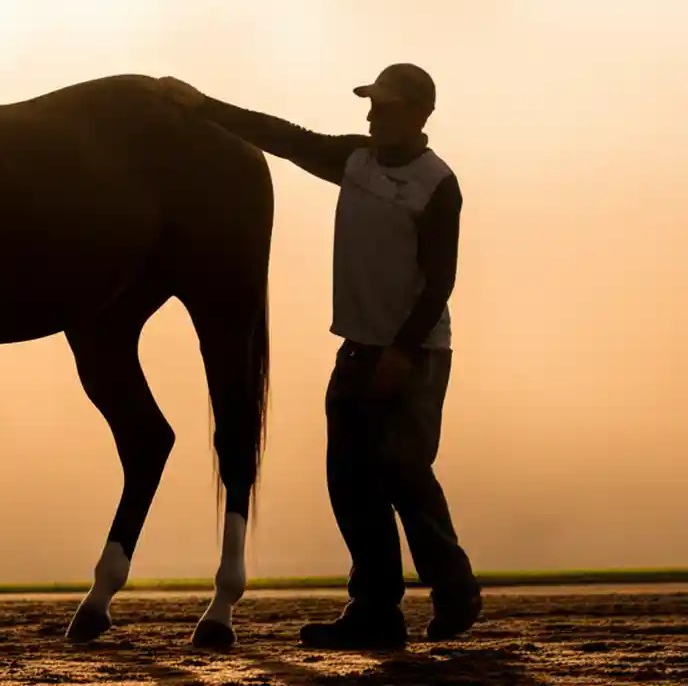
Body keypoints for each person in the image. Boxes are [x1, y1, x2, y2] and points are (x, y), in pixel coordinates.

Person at [157, 64, 481, 650]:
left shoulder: (438, 184)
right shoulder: (355, 161)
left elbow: (439, 283)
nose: (371, 115)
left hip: (416, 354)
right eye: (371, 105)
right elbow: (284, 138)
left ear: (418, 114)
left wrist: (403, 353)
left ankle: (454, 589)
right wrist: (204, 106)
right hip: (357, 350)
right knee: (351, 482)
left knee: (404, 472)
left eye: (383, 106)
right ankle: (375, 610)